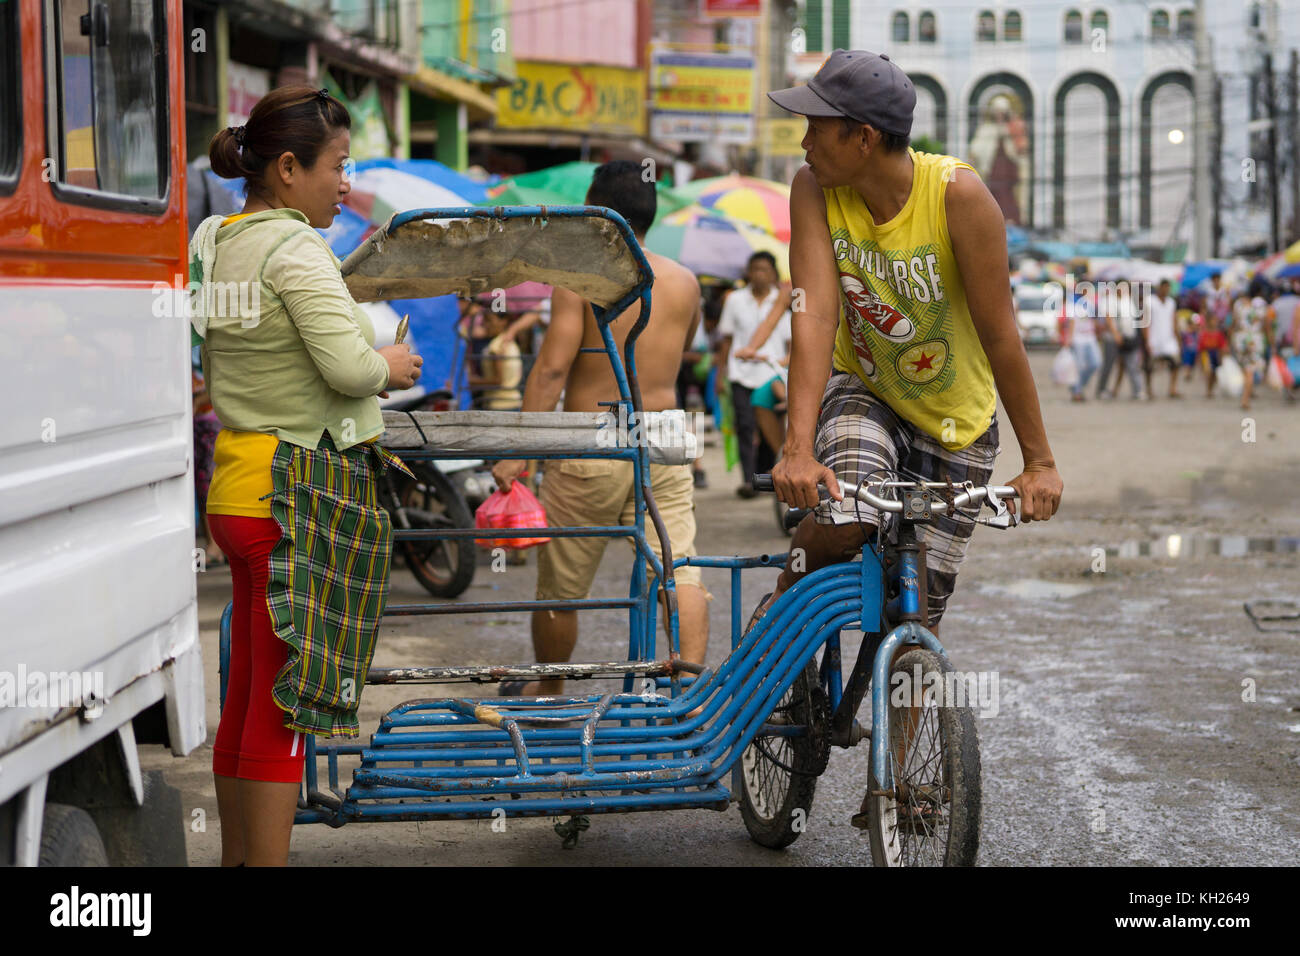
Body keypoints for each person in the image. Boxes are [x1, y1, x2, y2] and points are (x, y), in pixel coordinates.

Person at [194, 86, 422, 866]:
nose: (345, 184)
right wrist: (390, 362)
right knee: (283, 706)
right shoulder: (296, 249)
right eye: (337, 167)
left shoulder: (215, 239)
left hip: (237, 489)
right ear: (287, 168)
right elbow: (350, 368)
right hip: (296, 493)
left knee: (251, 693)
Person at [760, 49, 1062, 635]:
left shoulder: (959, 198)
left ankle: (899, 708)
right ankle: (782, 612)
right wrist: (798, 448)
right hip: (866, 389)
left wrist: (1040, 463)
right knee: (849, 512)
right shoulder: (814, 187)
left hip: (957, 422)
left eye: (816, 131)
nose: (805, 145)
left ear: (864, 138)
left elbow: (1001, 334)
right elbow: (815, 315)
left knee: (915, 616)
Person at [492, 161, 708, 696]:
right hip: (661, 438)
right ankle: (687, 696)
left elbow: (551, 370)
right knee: (680, 572)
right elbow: (684, 352)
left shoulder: (580, 280)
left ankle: (549, 692)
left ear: (597, 213)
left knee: (560, 591)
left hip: (593, 442)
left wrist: (517, 450)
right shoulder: (683, 283)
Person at [715, 252, 792, 497]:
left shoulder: (786, 297)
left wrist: (785, 360)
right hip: (742, 371)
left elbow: (795, 343)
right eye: (754, 269)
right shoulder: (736, 299)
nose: (759, 274)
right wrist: (746, 352)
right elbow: (732, 337)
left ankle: (769, 470)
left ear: (773, 273)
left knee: (775, 412)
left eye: (764, 269)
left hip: (773, 373)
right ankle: (751, 479)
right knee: (746, 424)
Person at [469, 306, 524, 410]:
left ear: (503, 321)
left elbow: (498, 381)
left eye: (489, 321)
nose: (485, 325)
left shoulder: (496, 346)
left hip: (498, 405)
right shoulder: (510, 343)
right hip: (513, 402)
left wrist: (471, 381)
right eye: (484, 321)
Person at [1143, 278, 1181, 398]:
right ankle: (1149, 389)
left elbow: (1174, 321)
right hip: (1154, 338)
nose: (1165, 290)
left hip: (1168, 339)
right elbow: (1145, 322)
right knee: (1149, 366)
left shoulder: (1171, 303)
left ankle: (1172, 388)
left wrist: (1178, 338)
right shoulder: (1149, 301)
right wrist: (1147, 339)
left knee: (1175, 363)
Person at [1062, 285, 1101, 402]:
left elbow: (1093, 320)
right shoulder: (1073, 303)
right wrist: (1069, 339)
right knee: (1079, 366)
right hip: (1078, 338)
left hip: (1090, 337)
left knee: (1096, 363)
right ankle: (1077, 392)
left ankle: (1077, 387)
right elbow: (1072, 322)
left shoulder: (1090, 303)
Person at [1198, 313, 1228, 397]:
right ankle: (1209, 390)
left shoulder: (1219, 334)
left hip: (1216, 354)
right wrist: (1199, 359)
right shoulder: (1204, 334)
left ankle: (1210, 389)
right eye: (1213, 320)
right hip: (1207, 354)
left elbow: (1222, 346)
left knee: (1214, 373)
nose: (1215, 322)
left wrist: (1222, 355)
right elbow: (1201, 347)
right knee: (1209, 372)